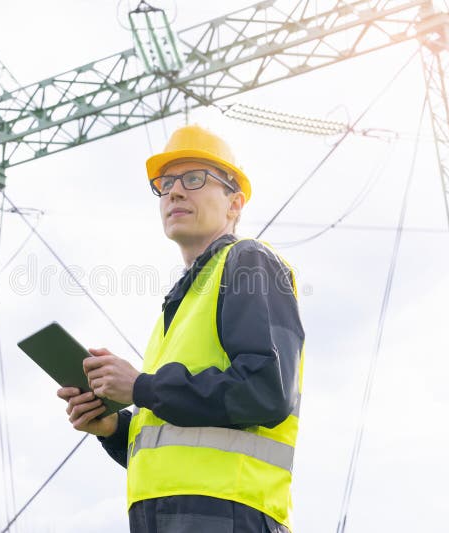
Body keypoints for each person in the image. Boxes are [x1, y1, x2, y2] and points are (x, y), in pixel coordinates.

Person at [57, 124, 305, 533]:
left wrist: (139, 387)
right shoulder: (178, 305)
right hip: (167, 517)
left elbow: (265, 391)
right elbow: (177, 441)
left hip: (229, 515)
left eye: (193, 179)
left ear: (235, 203)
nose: (174, 191)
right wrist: (115, 429)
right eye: (166, 183)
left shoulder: (249, 262)